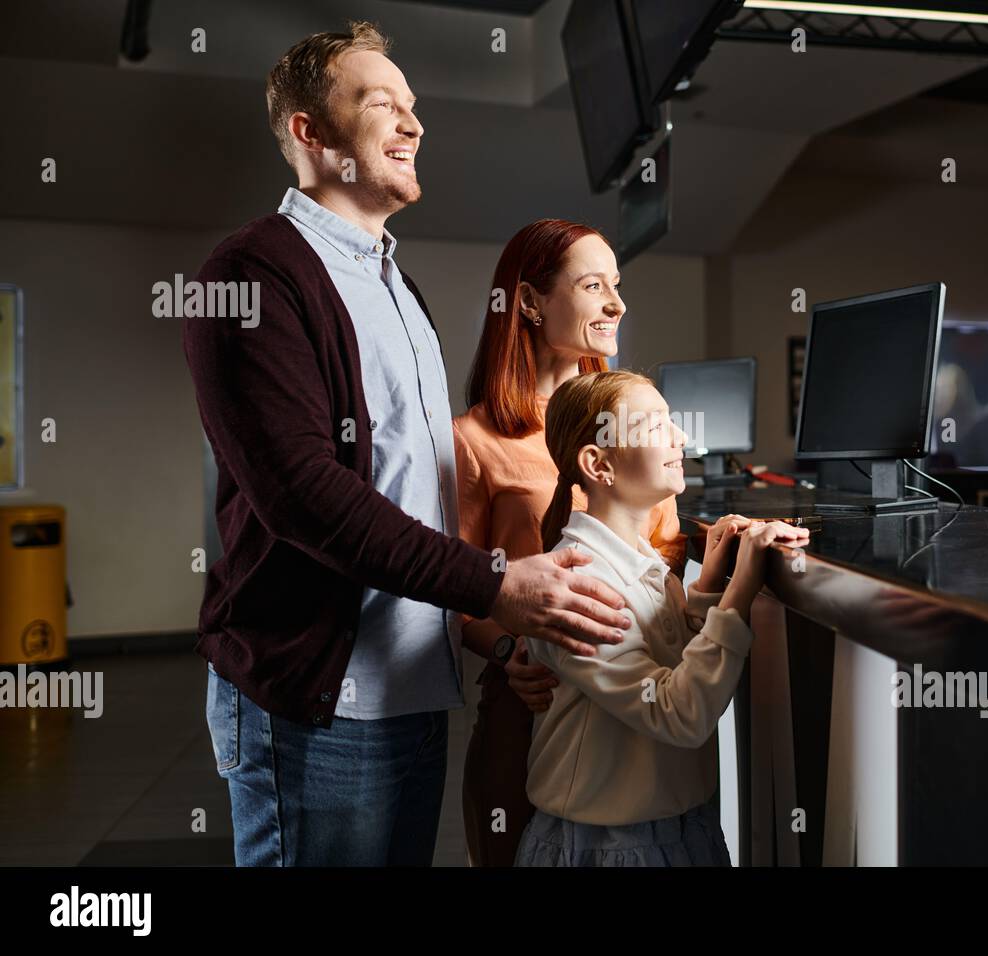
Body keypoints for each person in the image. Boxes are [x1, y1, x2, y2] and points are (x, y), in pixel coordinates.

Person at [182, 21, 632, 867]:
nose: (414, 124)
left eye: (414, 107)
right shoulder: (250, 274)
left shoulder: (396, 285)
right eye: (382, 103)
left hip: (413, 696)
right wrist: (495, 583)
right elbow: (302, 492)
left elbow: (407, 493)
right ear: (310, 134)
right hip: (318, 705)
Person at [454, 218, 685, 867]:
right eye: (593, 285)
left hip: (639, 714)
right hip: (529, 706)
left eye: (617, 284)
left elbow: (665, 549)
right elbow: (452, 586)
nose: (617, 303)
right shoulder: (473, 441)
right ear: (527, 302)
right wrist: (507, 649)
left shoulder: (634, 420)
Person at [515, 369, 808, 866]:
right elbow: (677, 713)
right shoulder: (583, 583)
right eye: (655, 427)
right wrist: (741, 589)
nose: (682, 437)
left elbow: (668, 663)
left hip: (679, 829)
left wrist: (711, 585)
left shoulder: (641, 559)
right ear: (599, 464)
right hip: (606, 846)